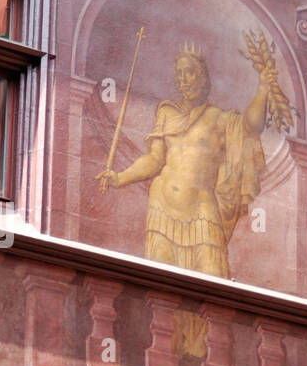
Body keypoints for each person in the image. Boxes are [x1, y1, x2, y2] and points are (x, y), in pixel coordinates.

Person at [97, 39, 287, 277]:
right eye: (180, 73)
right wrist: (120, 178)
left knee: (214, 277)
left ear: (203, 77)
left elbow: (251, 127)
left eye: (190, 72)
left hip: (201, 210)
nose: (184, 79)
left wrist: (262, 90)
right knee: (160, 284)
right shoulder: (166, 112)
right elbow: (154, 160)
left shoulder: (218, 118)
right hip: (162, 208)